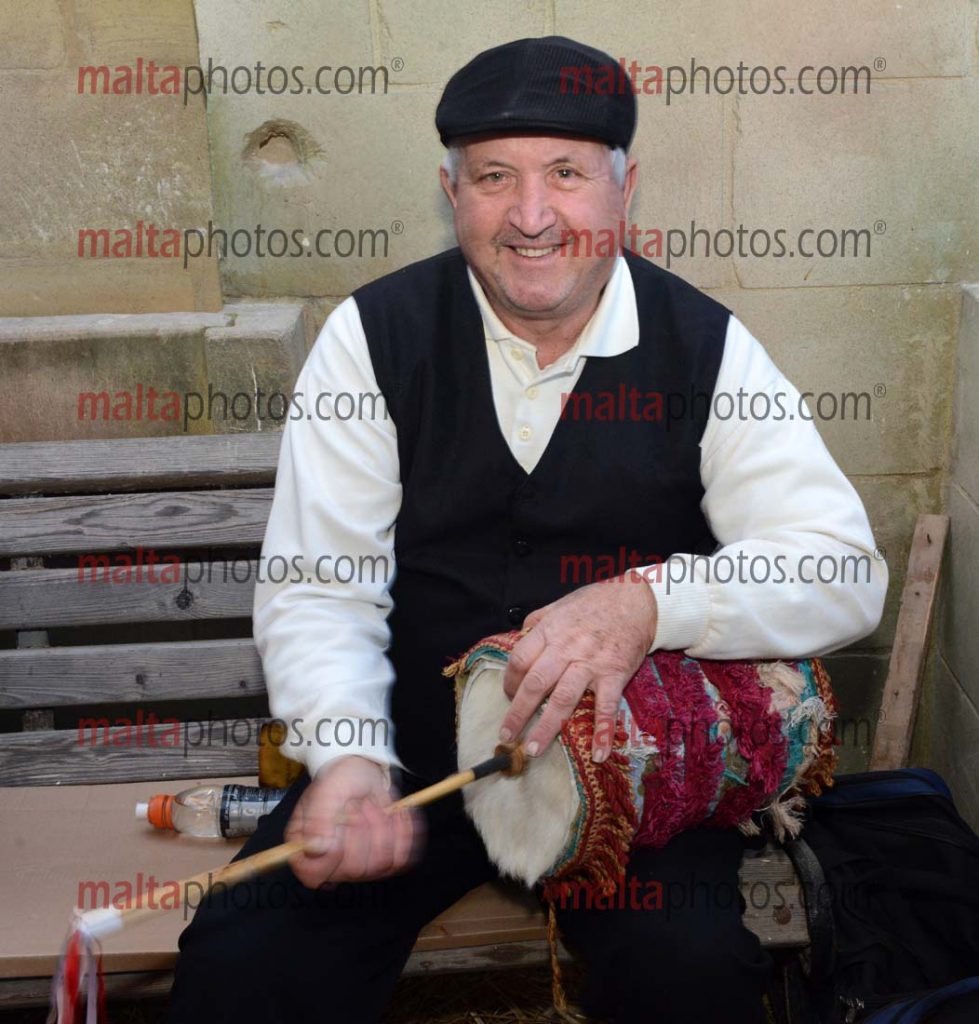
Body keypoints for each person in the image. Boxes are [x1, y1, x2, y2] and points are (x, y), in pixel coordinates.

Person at [167, 35, 887, 1024]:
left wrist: (649, 599)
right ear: (450, 191)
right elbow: (319, 584)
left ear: (623, 190)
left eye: (567, 174)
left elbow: (844, 570)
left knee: (690, 972)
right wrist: (342, 756)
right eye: (495, 177)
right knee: (242, 963)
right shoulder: (371, 337)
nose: (533, 215)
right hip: (408, 762)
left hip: (625, 780)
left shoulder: (707, 347)